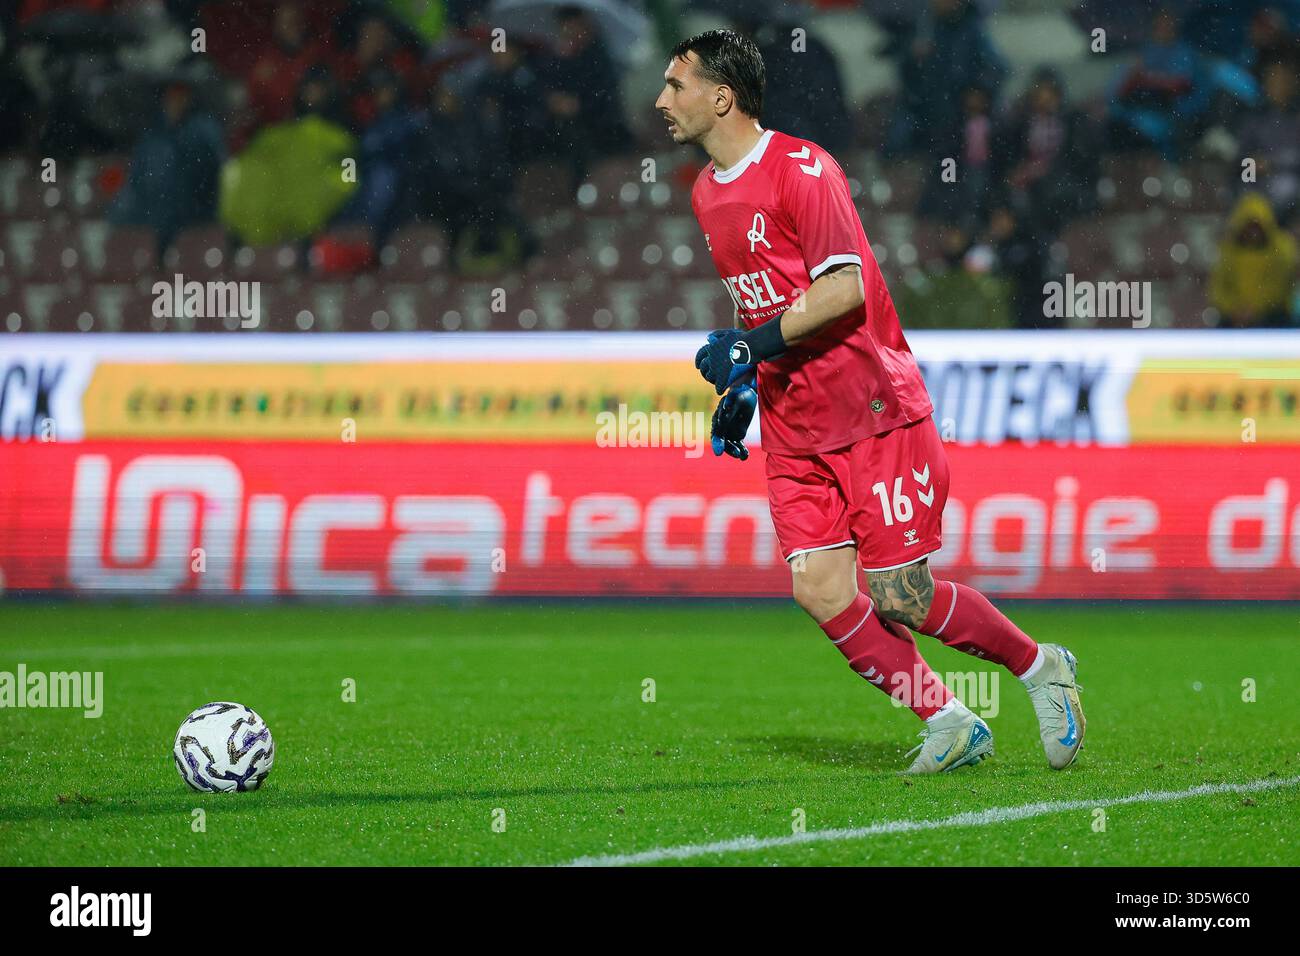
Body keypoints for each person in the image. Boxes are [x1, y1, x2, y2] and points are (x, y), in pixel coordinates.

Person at [655, 29, 1086, 774]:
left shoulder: (803, 169)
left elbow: (845, 288)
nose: (661, 101)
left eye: (676, 85)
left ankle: (1039, 665)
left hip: (872, 412)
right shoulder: (705, 193)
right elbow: (760, 298)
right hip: (794, 423)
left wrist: (750, 346)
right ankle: (950, 720)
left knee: (900, 595)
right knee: (818, 587)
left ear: (720, 96)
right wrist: (747, 383)